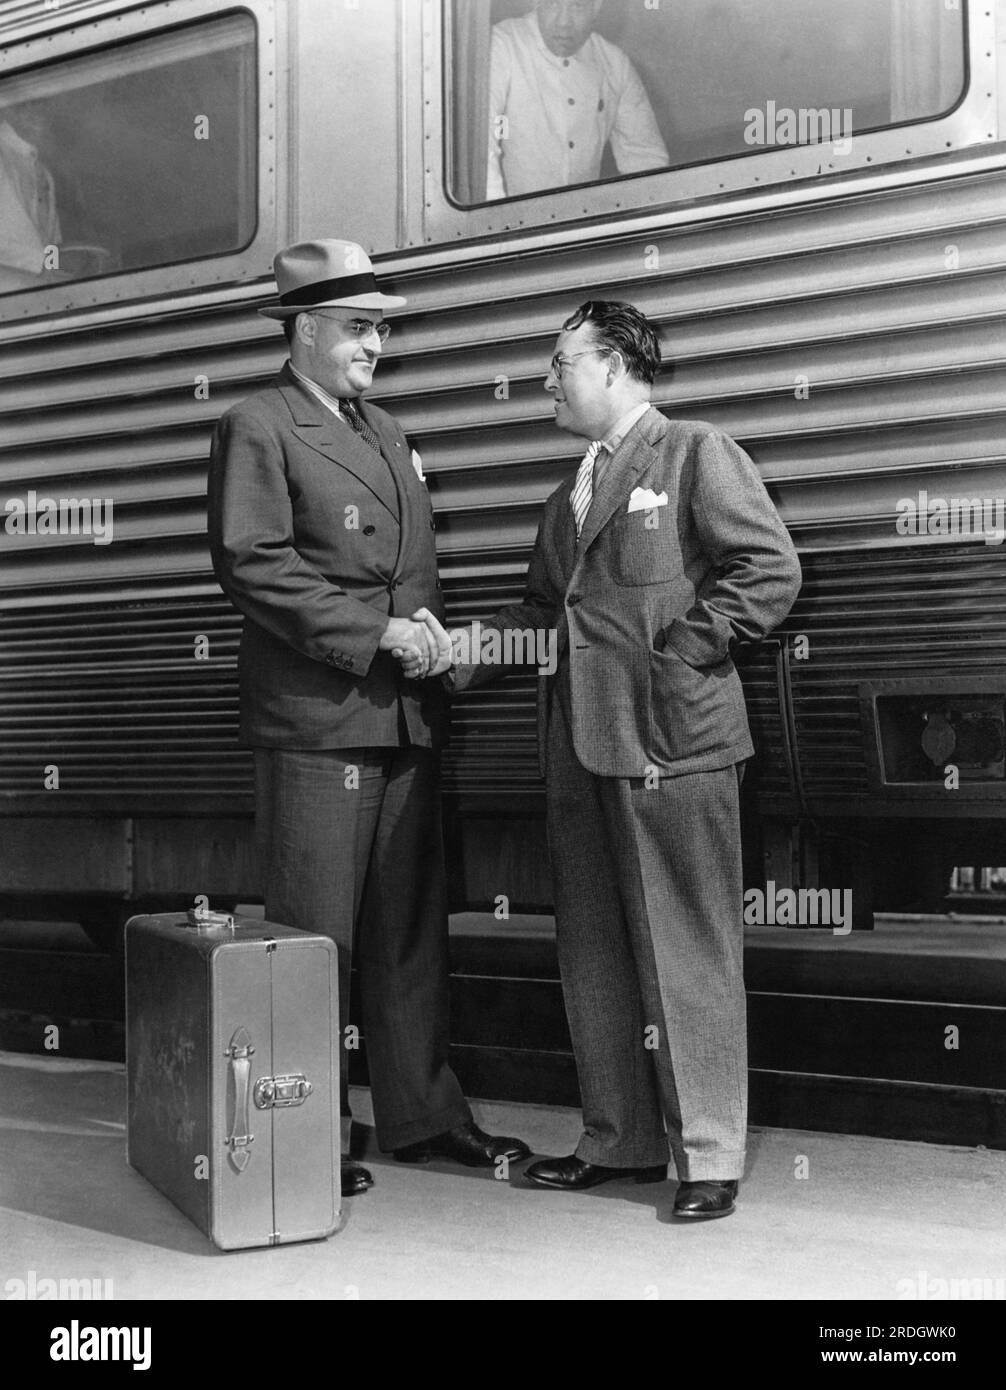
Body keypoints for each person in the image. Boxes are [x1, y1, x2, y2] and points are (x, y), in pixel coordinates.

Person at [436, 301, 801, 1220]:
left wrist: (683, 653)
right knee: (593, 952)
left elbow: (767, 569)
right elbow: (541, 619)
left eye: (560, 364)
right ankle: (620, 1139)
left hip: (675, 746)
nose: (547, 383)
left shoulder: (694, 453)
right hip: (581, 750)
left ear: (615, 366)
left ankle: (707, 1155)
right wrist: (459, 652)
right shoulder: (568, 497)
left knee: (688, 951)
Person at [207, 239, 530, 1197]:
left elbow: (408, 565)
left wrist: (428, 638)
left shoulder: (384, 430)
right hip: (320, 716)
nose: (376, 344)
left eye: (381, 327)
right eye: (358, 327)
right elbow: (253, 563)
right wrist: (378, 632)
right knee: (313, 940)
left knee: (409, 928)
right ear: (305, 329)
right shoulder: (254, 425)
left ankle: (423, 1118)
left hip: (403, 716)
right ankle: (305, 1133)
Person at [487, 0, 668, 200]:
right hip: (508, 220)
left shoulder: (616, 64)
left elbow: (645, 158)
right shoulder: (501, 44)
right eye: (552, 4)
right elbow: (484, 146)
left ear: (597, 8)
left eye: (577, 6)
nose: (564, 22)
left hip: (582, 222)